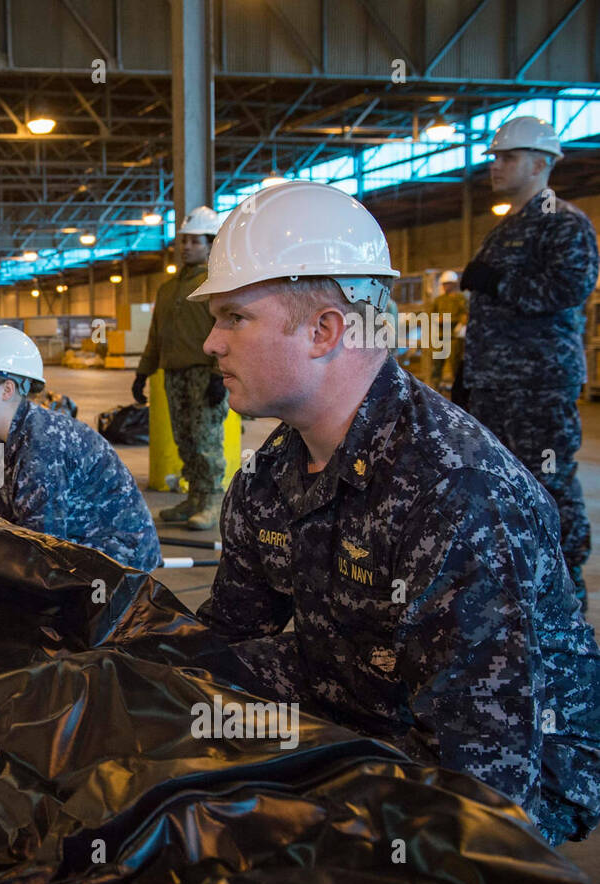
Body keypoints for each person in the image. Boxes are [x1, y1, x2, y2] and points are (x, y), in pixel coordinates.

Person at [189, 179, 599, 846]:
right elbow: (227, 643)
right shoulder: (270, 474)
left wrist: (314, 826)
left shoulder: (456, 490)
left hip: (517, 758)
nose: (210, 343)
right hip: (361, 686)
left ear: (325, 331)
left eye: (234, 317)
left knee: (387, 865)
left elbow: (485, 773)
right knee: (182, 711)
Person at [460, 115, 599, 609]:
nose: (497, 166)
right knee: (504, 489)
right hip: (495, 385)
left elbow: (570, 289)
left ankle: (565, 603)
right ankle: (520, 597)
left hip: (538, 385)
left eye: (509, 157)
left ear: (542, 163)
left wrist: (498, 282)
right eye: (496, 157)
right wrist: (466, 377)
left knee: (549, 485)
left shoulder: (561, 221)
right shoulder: (508, 226)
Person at [0, 324, 161, 572]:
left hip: (119, 560)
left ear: (7, 389)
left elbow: (42, 551)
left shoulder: (42, 446)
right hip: (75, 549)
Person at [133, 206, 228, 530]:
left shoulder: (215, 284)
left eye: (194, 240)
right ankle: (194, 498)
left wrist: (219, 374)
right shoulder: (167, 289)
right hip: (172, 376)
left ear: (211, 244)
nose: (186, 246)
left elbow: (227, 329)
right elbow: (156, 336)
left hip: (204, 375)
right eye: (183, 240)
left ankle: (212, 500)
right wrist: (142, 373)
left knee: (206, 440)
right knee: (184, 439)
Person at [425, 270, 467, 392]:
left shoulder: (461, 298)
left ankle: (457, 390)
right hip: (440, 336)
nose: (445, 286)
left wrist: (449, 320)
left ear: (454, 284)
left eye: (448, 283)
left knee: (455, 365)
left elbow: (464, 316)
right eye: (444, 284)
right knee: (437, 365)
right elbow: (430, 315)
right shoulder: (439, 300)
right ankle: (435, 389)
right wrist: (437, 320)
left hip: (453, 337)